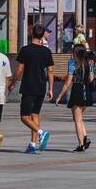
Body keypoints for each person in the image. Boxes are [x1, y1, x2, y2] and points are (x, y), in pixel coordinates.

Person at [14, 24, 55, 154]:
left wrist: (13, 82)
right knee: (35, 115)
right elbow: (50, 71)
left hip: (28, 87)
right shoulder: (46, 51)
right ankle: (32, 144)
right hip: (41, 87)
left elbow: (19, 69)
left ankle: (41, 132)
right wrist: (51, 89)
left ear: (32, 33)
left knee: (24, 117)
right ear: (42, 34)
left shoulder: (26, 50)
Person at [55, 43, 94, 151]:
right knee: (79, 118)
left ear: (75, 53)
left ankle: (81, 144)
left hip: (77, 91)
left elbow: (68, 82)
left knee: (77, 120)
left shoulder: (72, 63)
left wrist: (59, 96)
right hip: (87, 91)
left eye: (73, 51)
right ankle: (85, 137)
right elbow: (91, 79)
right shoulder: (88, 64)